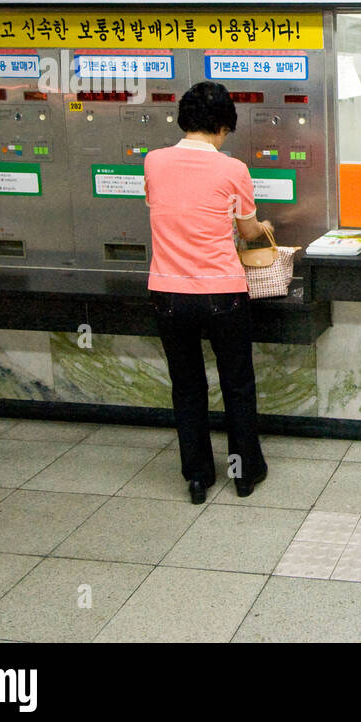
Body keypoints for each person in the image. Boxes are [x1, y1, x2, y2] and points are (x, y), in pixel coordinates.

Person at [144, 81, 272, 505]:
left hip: (168, 294)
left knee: (187, 386)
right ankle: (244, 474)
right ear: (221, 126)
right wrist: (265, 229)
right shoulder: (232, 169)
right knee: (236, 384)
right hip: (222, 293)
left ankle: (197, 478)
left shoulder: (154, 162)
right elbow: (248, 230)